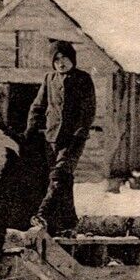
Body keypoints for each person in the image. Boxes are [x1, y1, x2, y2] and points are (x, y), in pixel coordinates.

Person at [24, 40, 96, 235]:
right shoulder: (49, 79)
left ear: (72, 59)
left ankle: (42, 215)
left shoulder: (83, 79)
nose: (61, 63)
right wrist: (31, 131)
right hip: (51, 138)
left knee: (59, 176)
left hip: (72, 139)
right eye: (56, 60)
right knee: (64, 181)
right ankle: (68, 223)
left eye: (64, 58)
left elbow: (88, 110)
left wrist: (79, 133)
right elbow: (38, 107)